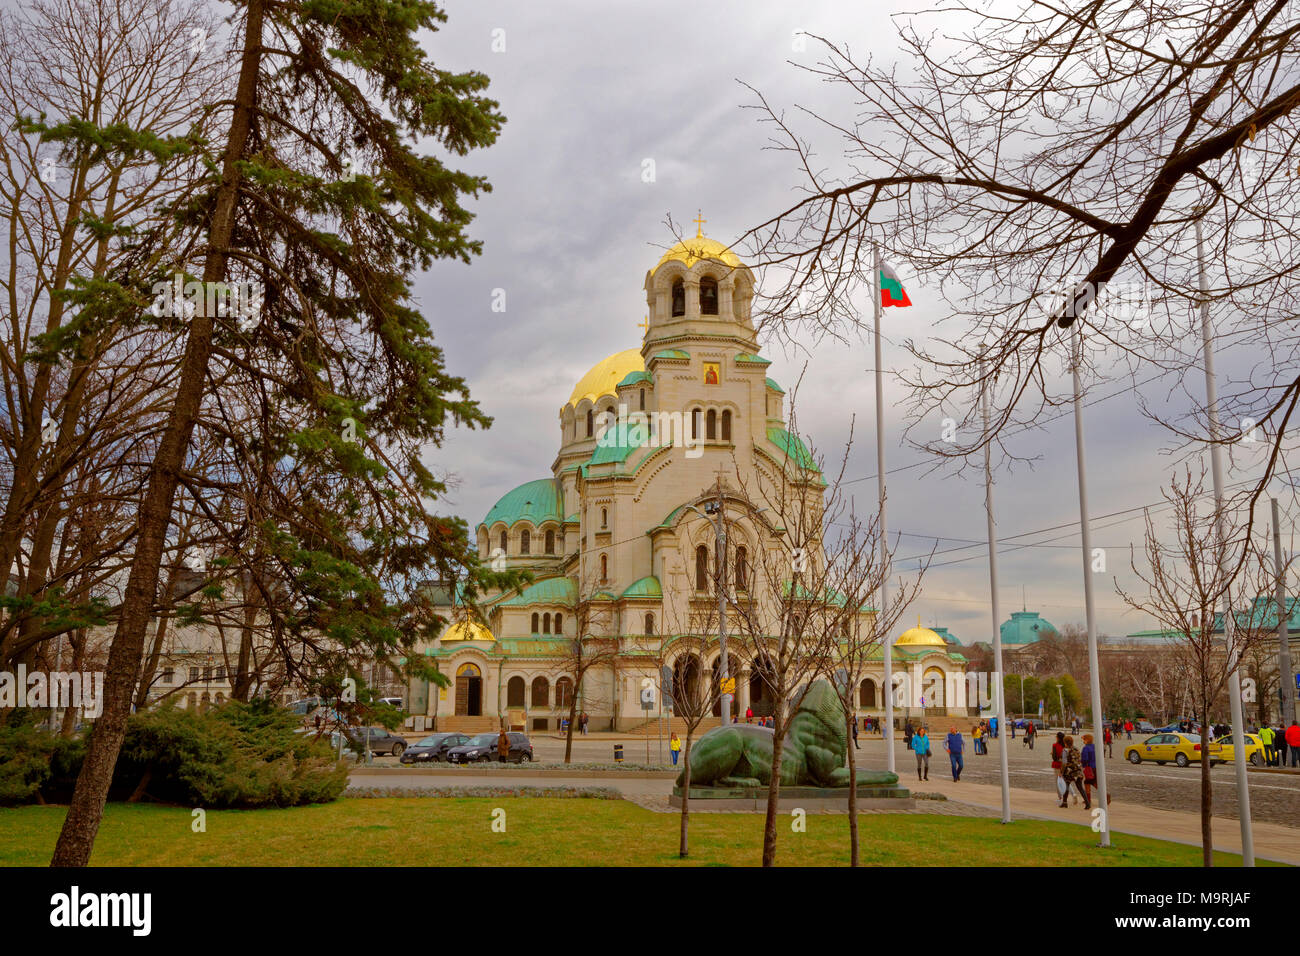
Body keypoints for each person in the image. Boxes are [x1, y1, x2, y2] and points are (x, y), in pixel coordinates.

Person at [1061, 735, 1088, 809]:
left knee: (1066, 786)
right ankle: (1087, 803)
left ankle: (1064, 802)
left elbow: (1064, 762)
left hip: (1069, 772)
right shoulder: (1076, 749)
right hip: (1078, 771)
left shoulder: (1065, 750)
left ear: (1065, 742)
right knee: (1080, 788)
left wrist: (1061, 771)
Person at [1080, 733, 1098, 807]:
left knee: (1088, 782)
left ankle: (1088, 799)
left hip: (1089, 767)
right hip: (1095, 766)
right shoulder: (1094, 746)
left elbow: (1085, 759)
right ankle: (1088, 799)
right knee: (1093, 782)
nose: (1083, 741)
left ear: (1087, 740)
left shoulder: (1085, 748)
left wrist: (1082, 764)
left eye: (1084, 740)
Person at [1051, 731, 1066, 803]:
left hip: (1057, 765)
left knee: (1058, 782)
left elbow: (1054, 757)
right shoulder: (1065, 746)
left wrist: (1052, 753)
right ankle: (1071, 795)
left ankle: (1060, 798)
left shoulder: (1055, 745)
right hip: (1065, 765)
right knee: (1065, 782)